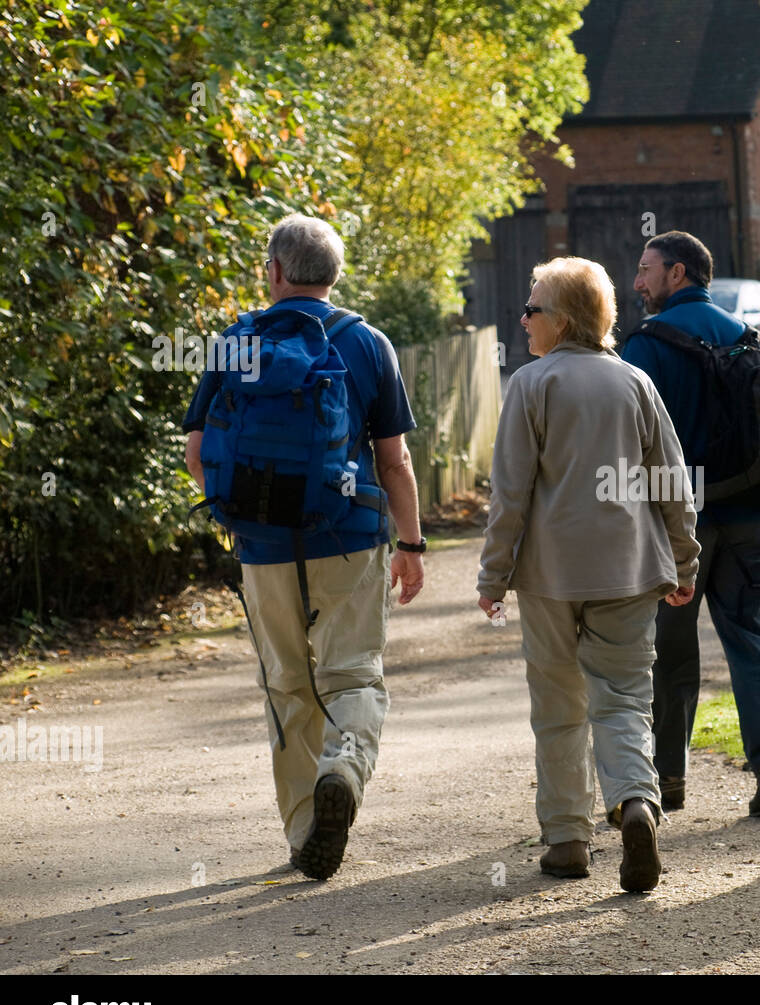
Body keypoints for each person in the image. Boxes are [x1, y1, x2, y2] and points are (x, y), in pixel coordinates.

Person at [183, 213, 425, 879]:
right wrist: (411, 541)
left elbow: (198, 453)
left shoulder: (236, 344)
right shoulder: (367, 343)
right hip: (349, 537)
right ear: (335, 274)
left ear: (275, 272)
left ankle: (303, 831)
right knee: (352, 673)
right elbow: (394, 460)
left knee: (288, 685)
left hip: (262, 548)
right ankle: (343, 768)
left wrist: (239, 515)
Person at [476, 256, 699, 893]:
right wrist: (684, 561)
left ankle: (568, 838)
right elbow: (672, 485)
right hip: (629, 570)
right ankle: (634, 803)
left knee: (557, 705)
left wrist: (494, 576)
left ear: (565, 320)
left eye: (533, 309)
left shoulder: (529, 385)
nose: (522, 320)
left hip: (549, 576)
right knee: (625, 698)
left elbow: (510, 494)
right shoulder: (634, 383)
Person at [621, 231, 760, 817]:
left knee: (671, 650)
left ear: (678, 273)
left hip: (679, 521)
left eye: (646, 270)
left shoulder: (645, 346)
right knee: (754, 636)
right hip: (749, 512)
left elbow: (628, 438)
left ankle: (668, 778)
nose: (638, 282)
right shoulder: (744, 337)